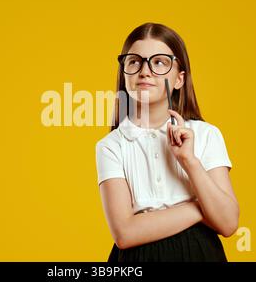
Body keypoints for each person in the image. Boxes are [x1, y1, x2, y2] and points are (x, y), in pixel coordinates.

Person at [95, 22, 239, 262]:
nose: (145, 71)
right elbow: (125, 233)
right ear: (124, 73)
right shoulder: (111, 146)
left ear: (179, 79)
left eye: (159, 62)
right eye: (134, 61)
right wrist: (199, 207)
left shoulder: (206, 135)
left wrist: (188, 160)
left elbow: (228, 223)